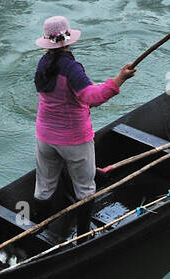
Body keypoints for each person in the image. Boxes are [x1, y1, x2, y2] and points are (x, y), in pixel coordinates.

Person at [32, 15, 135, 222]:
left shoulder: (43, 65)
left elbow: (62, 94)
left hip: (44, 139)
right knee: (85, 189)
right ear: (68, 40)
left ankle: (38, 228)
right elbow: (93, 98)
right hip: (74, 141)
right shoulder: (71, 68)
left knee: (44, 187)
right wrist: (120, 79)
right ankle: (83, 235)